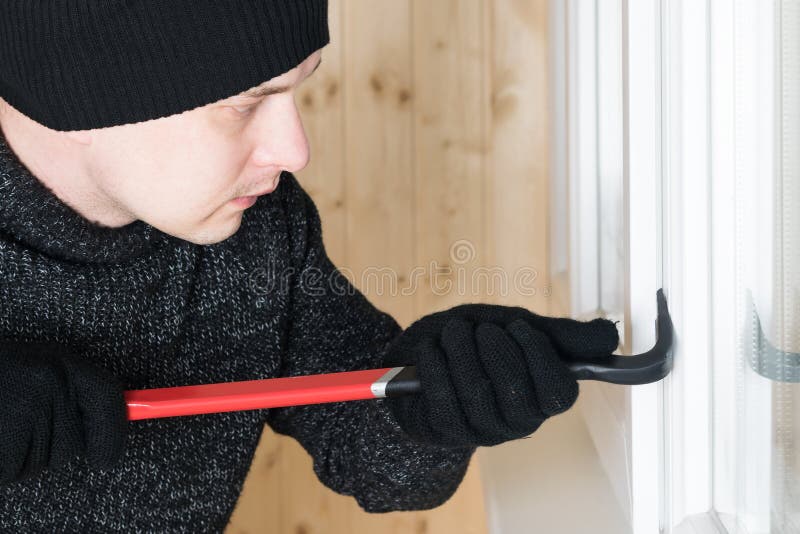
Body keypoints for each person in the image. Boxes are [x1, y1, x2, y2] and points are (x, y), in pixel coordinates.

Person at [0, 1, 619, 531]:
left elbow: (374, 459)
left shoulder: (261, 227)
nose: (295, 150)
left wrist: (435, 400)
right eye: (247, 104)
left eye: (297, 89)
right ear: (82, 94)